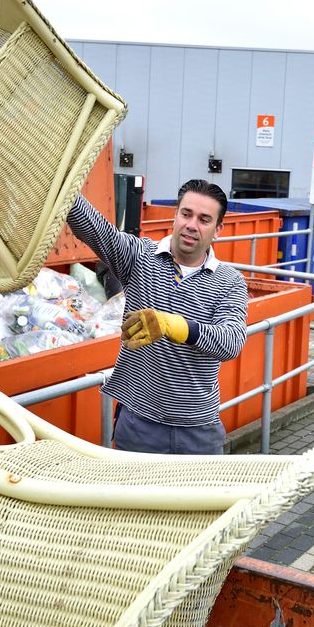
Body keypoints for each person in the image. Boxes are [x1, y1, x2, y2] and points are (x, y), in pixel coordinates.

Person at [67, 178, 248, 454]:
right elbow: (95, 229)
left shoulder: (229, 281)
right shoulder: (139, 257)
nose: (191, 225)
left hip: (199, 431)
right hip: (139, 425)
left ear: (218, 229)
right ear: (175, 216)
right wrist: (62, 186)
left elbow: (231, 342)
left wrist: (174, 326)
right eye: (186, 214)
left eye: (204, 219)